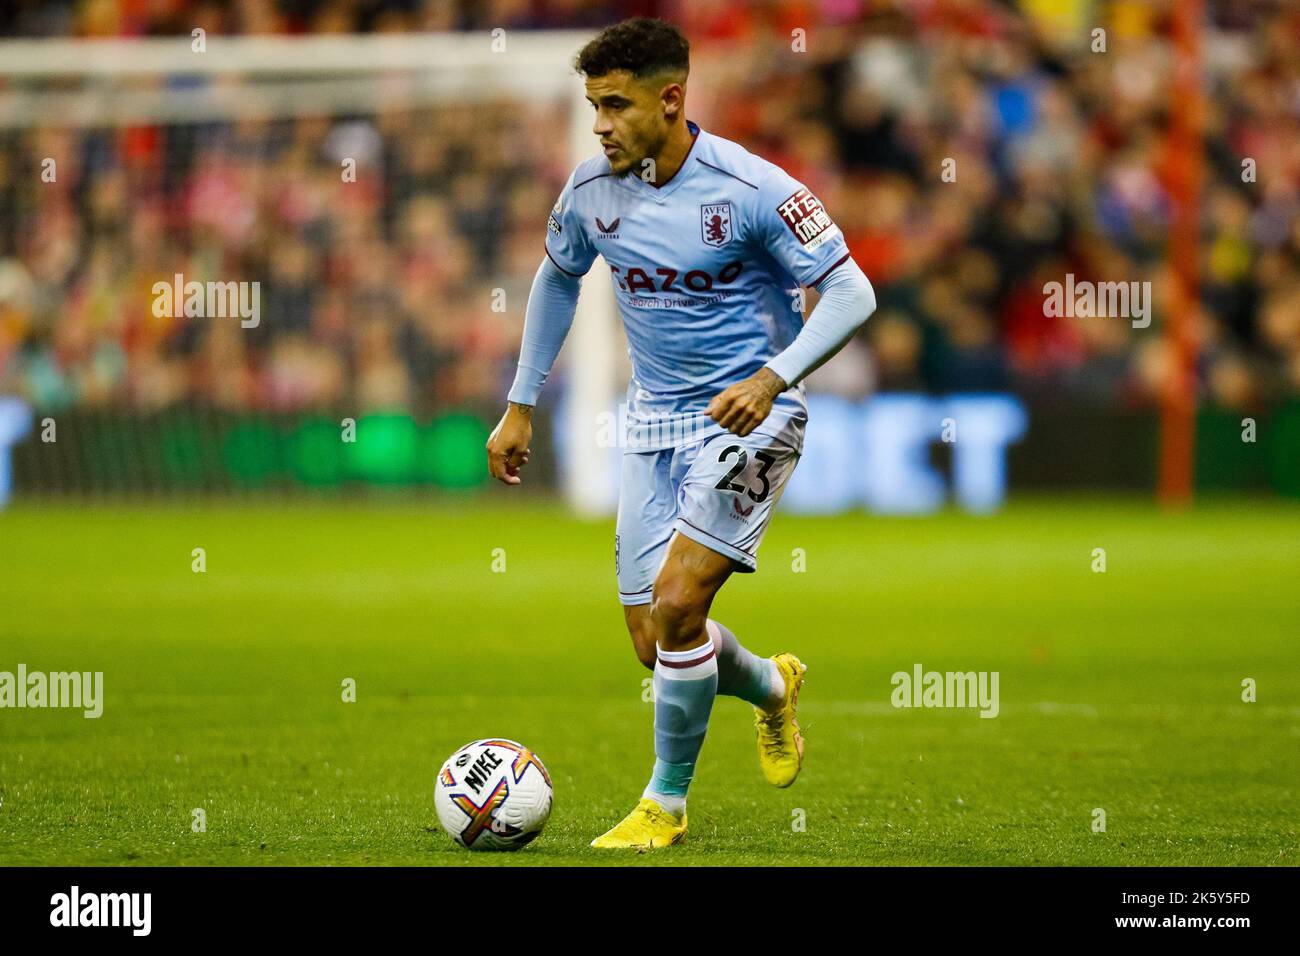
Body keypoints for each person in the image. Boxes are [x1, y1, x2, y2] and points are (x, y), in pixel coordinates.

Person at [486, 17, 877, 849]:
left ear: (671, 99)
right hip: (652, 421)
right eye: (593, 105)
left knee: (677, 604)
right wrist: (521, 403)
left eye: (616, 105)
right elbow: (557, 280)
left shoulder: (753, 188)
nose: (599, 125)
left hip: (755, 418)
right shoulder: (590, 192)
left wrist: (774, 377)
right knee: (654, 640)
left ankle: (665, 803)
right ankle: (772, 685)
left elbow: (851, 294)